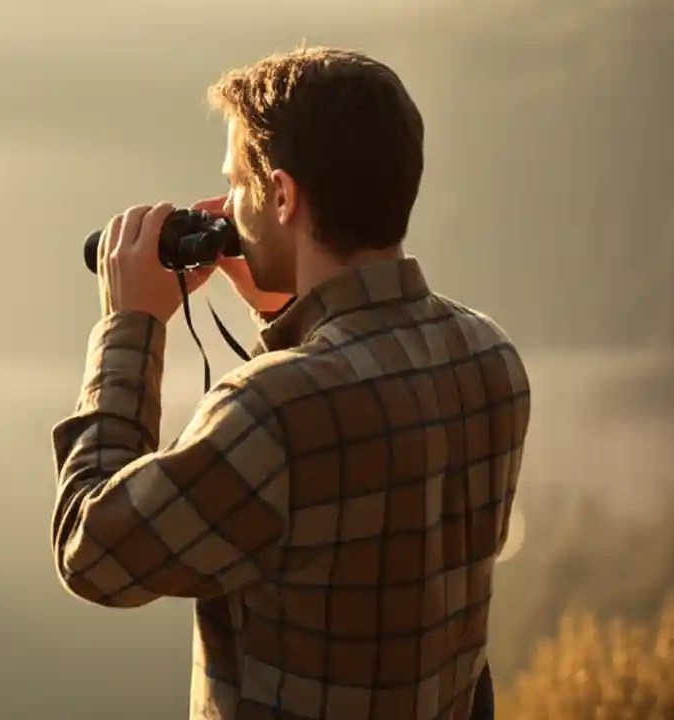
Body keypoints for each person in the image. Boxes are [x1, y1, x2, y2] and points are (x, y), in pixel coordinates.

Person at [49, 44, 530, 719]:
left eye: (238, 186)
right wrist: (282, 315)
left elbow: (93, 550)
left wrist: (130, 328)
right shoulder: (489, 358)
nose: (222, 207)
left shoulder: (270, 411)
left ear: (282, 195)